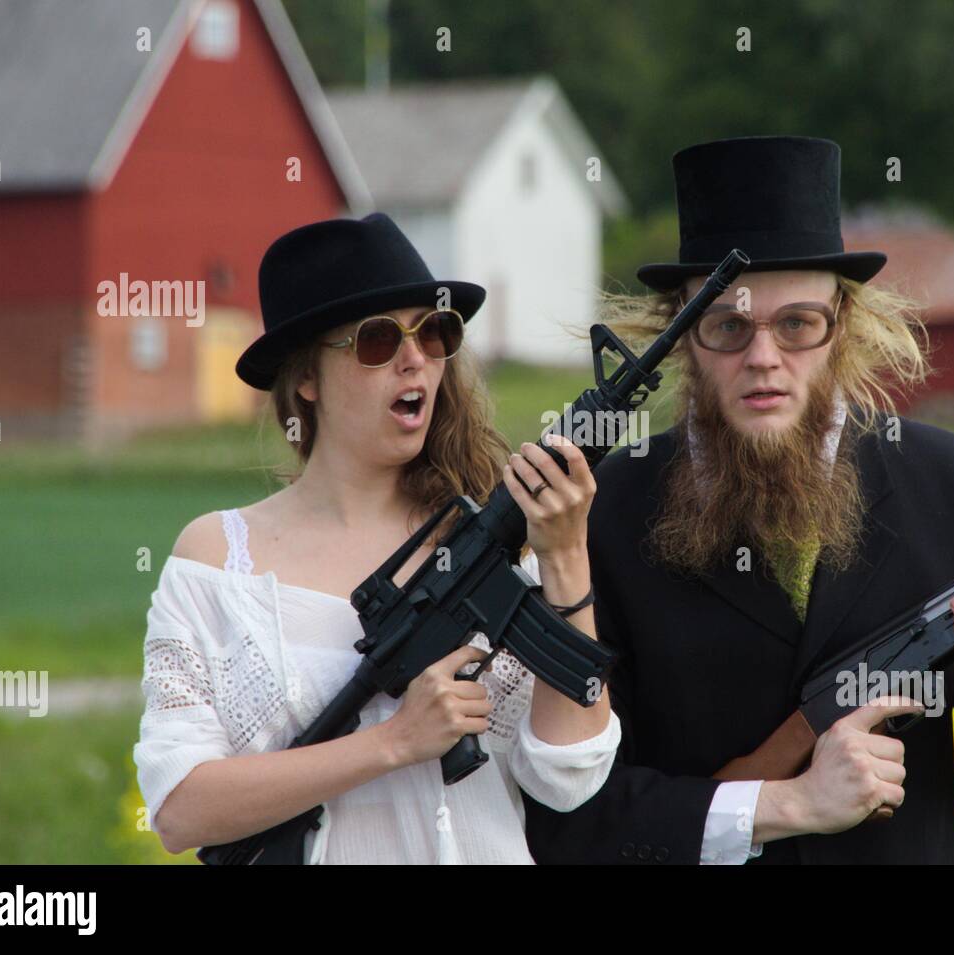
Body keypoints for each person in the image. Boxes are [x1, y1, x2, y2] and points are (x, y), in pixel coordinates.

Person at [523, 136, 954, 864]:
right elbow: (579, 818)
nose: (764, 357)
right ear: (682, 339)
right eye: (727, 325)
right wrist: (773, 806)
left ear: (841, 326)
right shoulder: (599, 517)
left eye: (796, 323)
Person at [133, 213, 619, 864]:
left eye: (435, 330)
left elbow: (570, 773)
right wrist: (393, 740)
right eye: (377, 339)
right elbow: (178, 809)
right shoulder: (218, 560)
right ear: (307, 376)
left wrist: (565, 554)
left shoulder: (481, 543)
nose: (414, 357)